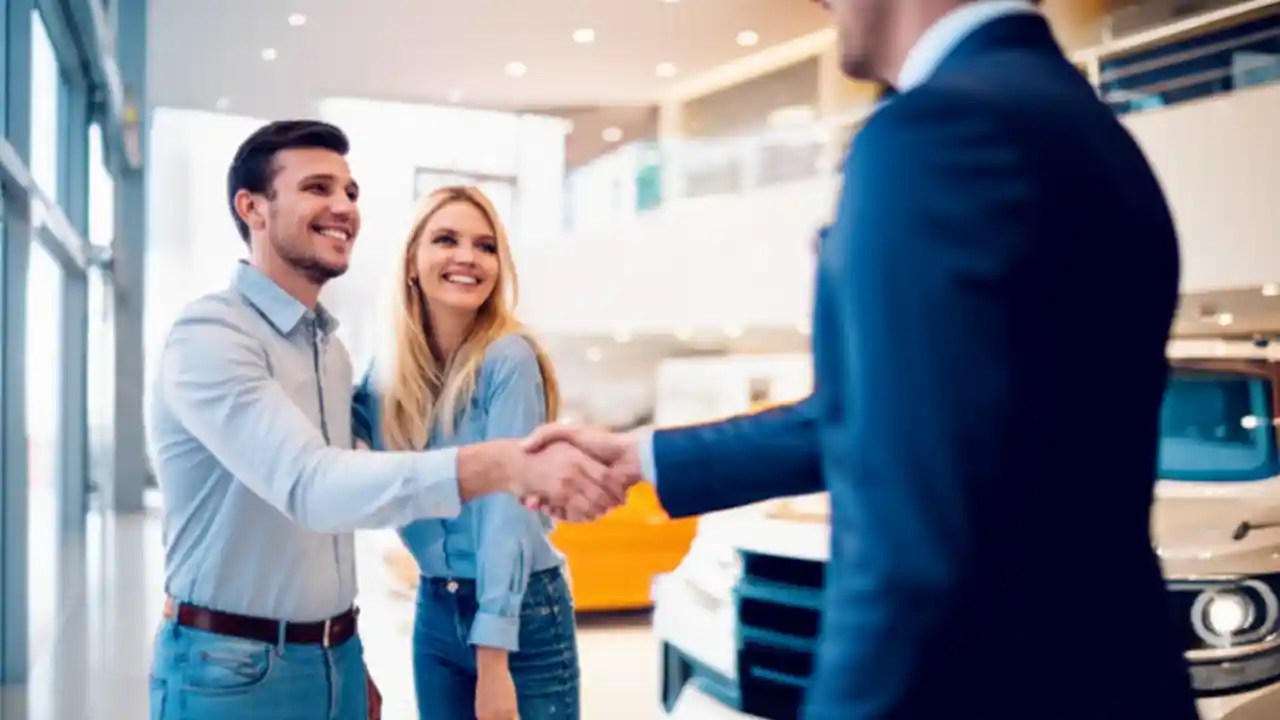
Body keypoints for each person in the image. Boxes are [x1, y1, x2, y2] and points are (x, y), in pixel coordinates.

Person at [525, 1, 1199, 718]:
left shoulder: (937, 133)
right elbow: (876, 420)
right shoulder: (1085, 127)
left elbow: (910, 540)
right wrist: (639, 458)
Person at [145, 121, 615, 720]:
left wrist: (336, 649)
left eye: (350, 192)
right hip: (235, 664)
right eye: (318, 187)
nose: (342, 207)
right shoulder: (213, 336)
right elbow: (316, 486)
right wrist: (493, 464)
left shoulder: (330, 353)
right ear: (253, 208)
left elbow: (338, 526)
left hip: (339, 653)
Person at [351, 186, 579, 720]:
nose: (467, 258)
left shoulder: (508, 359)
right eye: (446, 240)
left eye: (485, 246)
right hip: (435, 606)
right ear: (412, 259)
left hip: (522, 615)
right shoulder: (382, 379)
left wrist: (494, 661)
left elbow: (508, 512)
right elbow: (334, 478)